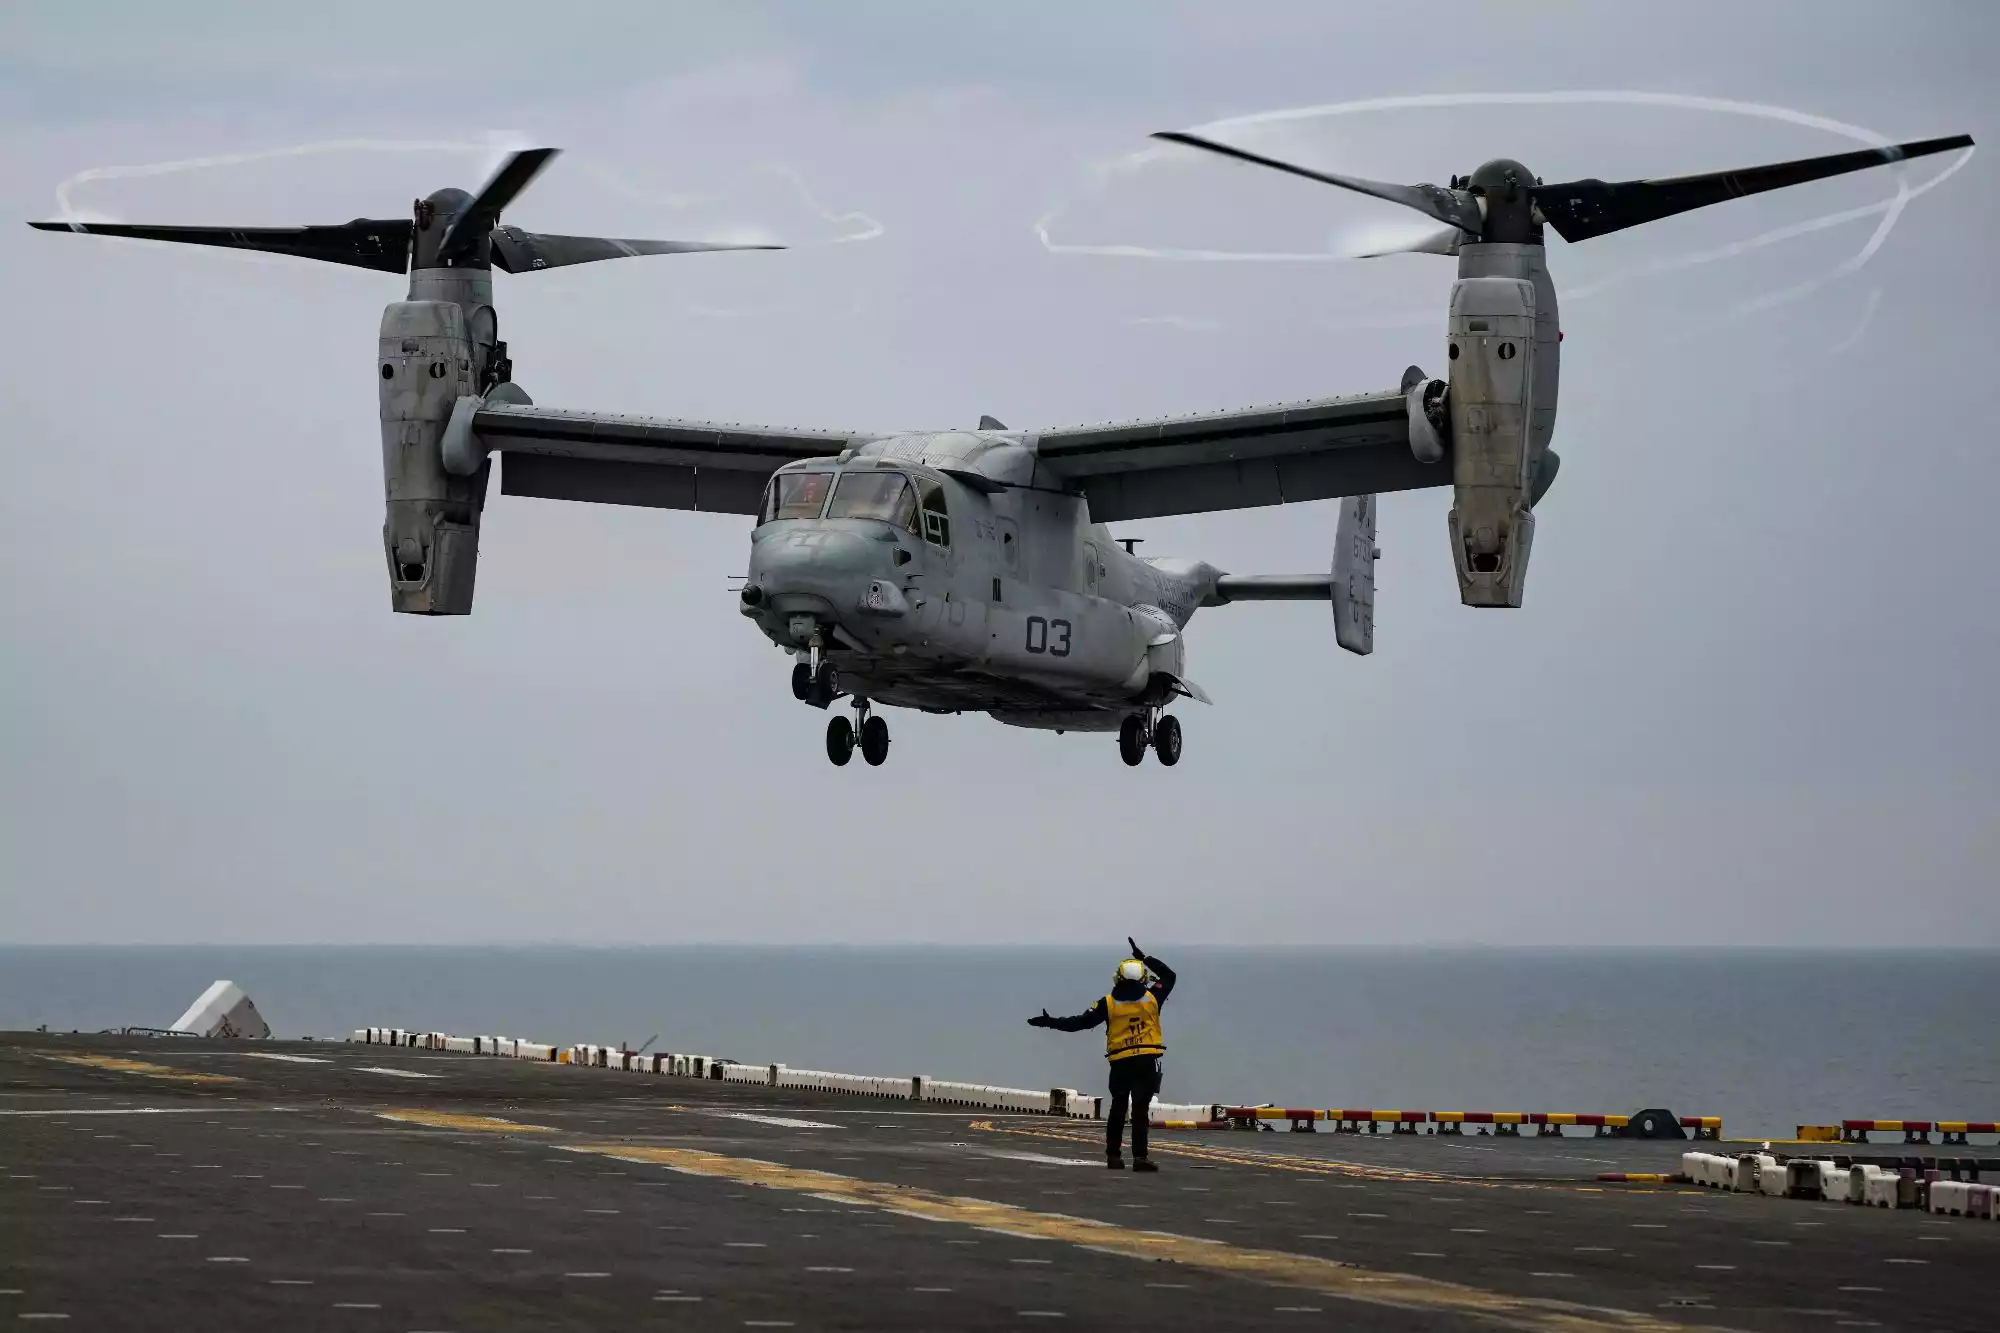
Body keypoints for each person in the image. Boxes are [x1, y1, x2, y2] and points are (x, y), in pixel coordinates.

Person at [1027, 938, 1176, 1171]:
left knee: (1118, 1108)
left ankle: (1114, 1157)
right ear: (1143, 978)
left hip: (1121, 1062)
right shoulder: (1152, 997)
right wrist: (1144, 957)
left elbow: (1080, 1022)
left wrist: (1050, 1022)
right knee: (1140, 1110)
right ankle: (1140, 1158)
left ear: (1118, 977)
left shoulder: (1107, 1003)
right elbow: (1169, 976)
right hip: (1147, 1060)